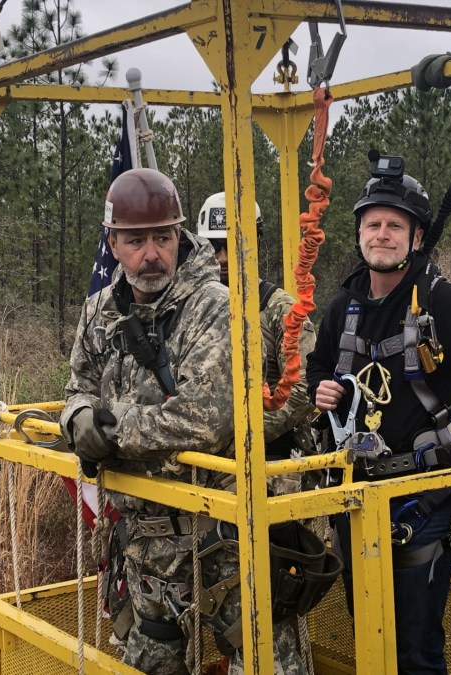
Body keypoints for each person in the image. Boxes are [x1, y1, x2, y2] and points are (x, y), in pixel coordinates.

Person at [60, 169, 305, 675]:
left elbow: (206, 419)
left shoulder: (216, 307)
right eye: (136, 240)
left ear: (178, 237)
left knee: (261, 658)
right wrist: (79, 417)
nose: (151, 253)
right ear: (113, 242)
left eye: (162, 238)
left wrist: (113, 432)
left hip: (221, 536)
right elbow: (77, 386)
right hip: (145, 539)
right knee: (151, 659)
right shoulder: (100, 312)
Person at [306, 155, 451, 674]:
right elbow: (317, 367)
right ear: (360, 234)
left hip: (423, 500)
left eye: (394, 225)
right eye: (373, 224)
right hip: (355, 497)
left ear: (415, 238)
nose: (382, 234)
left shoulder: (445, 304)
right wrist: (320, 391)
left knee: (414, 647)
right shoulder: (343, 308)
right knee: (368, 632)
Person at [196, 192, 317, 494]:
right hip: (202, 462)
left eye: (231, 246)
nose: (222, 257)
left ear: (254, 243)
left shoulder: (279, 309)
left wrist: (239, 437)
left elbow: (302, 389)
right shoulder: (190, 311)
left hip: (268, 463)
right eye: (213, 247)